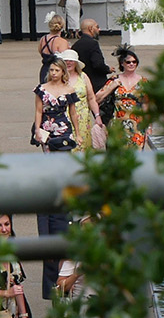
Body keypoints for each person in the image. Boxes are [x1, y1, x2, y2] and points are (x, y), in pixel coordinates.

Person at [32, 60, 82, 298]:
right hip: (48, 133)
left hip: (64, 131)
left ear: (63, 72)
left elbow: (73, 113)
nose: (52, 73)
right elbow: (39, 111)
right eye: (50, 70)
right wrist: (38, 131)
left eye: (56, 70)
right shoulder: (41, 89)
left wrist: (79, 134)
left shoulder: (70, 91)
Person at [57, 49, 101, 146]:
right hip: (64, 118)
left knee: (83, 145)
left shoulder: (83, 76)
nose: (68, 63)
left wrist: (97, 115)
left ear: (76, 63)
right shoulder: (57, 77)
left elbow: (91, 98)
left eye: (71, 60)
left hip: (82, 118)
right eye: (66, 60)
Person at [107, 48, 149, 148]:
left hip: (137, 126)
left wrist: (148, 126)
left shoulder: (143, 82)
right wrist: (111, 87)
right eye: (128, 62)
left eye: (134, 62)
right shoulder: (115, 79)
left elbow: (147, 104)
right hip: (118, 124)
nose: (131, 64)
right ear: (122, 63)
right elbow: (97, 97)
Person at [73, 17, 111, 94]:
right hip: (96, 83)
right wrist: (107, 69)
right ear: (90, 28)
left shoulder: (75, 45)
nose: (99, 30)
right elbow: (98, 64)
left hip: (81, 82)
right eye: (97, 27)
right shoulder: (93, 44)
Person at [37, 12, 71, 82]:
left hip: (44, 70)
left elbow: (40, 51)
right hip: (56, 72)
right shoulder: (62, 41)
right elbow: (65, 59)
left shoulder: (43, 39)